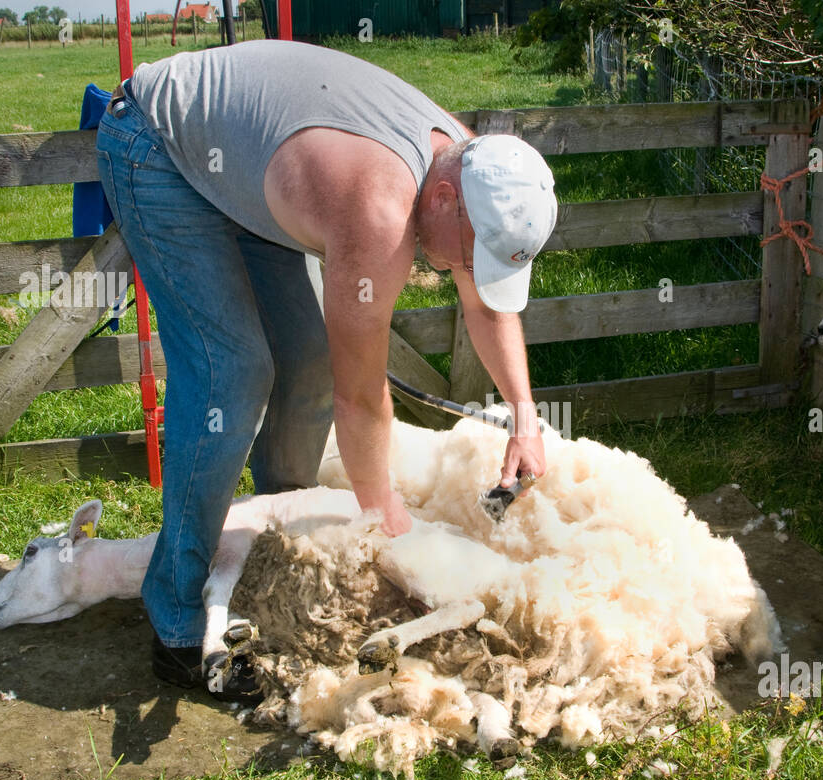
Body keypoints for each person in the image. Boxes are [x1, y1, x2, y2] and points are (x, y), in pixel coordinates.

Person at [94, 39, 557, 702]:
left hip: (247, 160)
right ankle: (176, 621)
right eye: (475, 256)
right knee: (233, 371)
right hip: (157, 144)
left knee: (307, 359)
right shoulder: (378, 208)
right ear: (446, 198)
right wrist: (386, 523)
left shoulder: (477, 164)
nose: (472, 275)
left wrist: (525, 418)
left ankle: (276, 546)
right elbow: (363, 399)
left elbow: (483, 304)